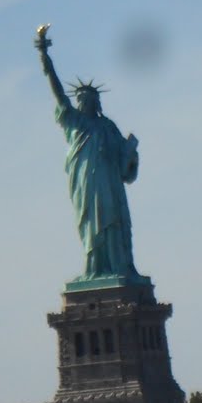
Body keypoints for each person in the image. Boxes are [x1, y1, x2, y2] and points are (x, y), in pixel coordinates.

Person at [34, 25, 143, 282]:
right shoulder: (74, 123)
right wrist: (44, 57)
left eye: (89, 98)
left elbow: (125, 169)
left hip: (110, 184)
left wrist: (130, 154)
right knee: (92, 225)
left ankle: (119, 267)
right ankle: (95, 268)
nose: (85, 102)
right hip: (86, 184)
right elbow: (58, 93)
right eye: (81, 98)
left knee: (116, 221)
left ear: (97, 102)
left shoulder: (108, 127)